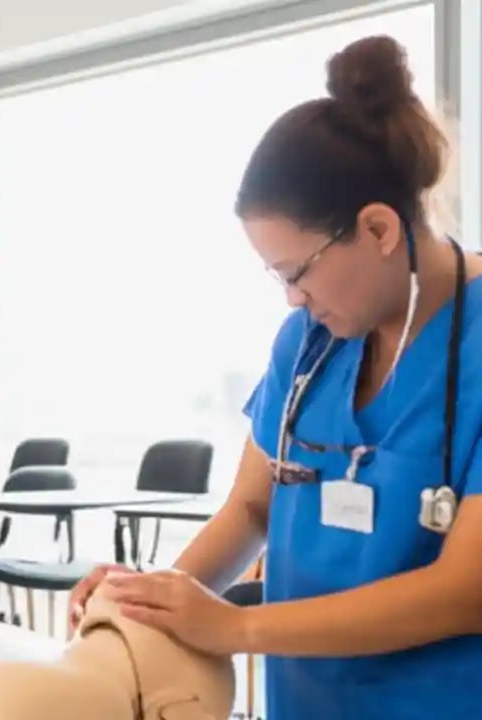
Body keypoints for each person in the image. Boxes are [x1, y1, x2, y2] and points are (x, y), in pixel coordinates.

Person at [68, 36, 482, 719]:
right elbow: (253, 507)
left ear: (378, 228)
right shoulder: (310, 344)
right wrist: (157, 593)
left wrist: (234, 629)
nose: (292, 298)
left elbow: (467, 590)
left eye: (297, 272)